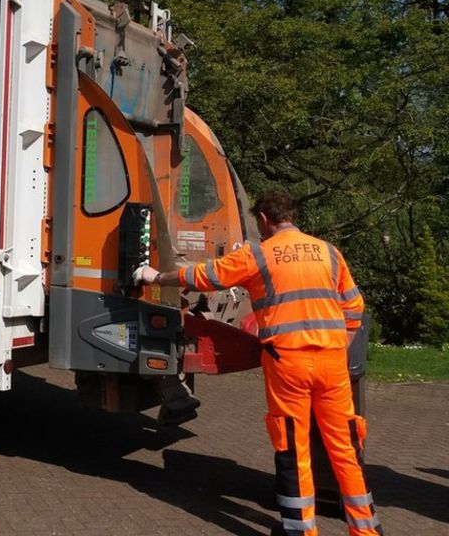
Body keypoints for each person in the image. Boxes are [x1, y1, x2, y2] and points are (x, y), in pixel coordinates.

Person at [135, 190, 381, 536]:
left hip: (289, 364)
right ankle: (367, 530)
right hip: (332, 363)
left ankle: (300, 530)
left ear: (264, 220)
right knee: (344, 445)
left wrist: (156, 277)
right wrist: (339, 347)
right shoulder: (329, 253)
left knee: (294, 447)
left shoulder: (260, 255)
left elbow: (204, 277)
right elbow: (354, 308)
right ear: (292, 216)